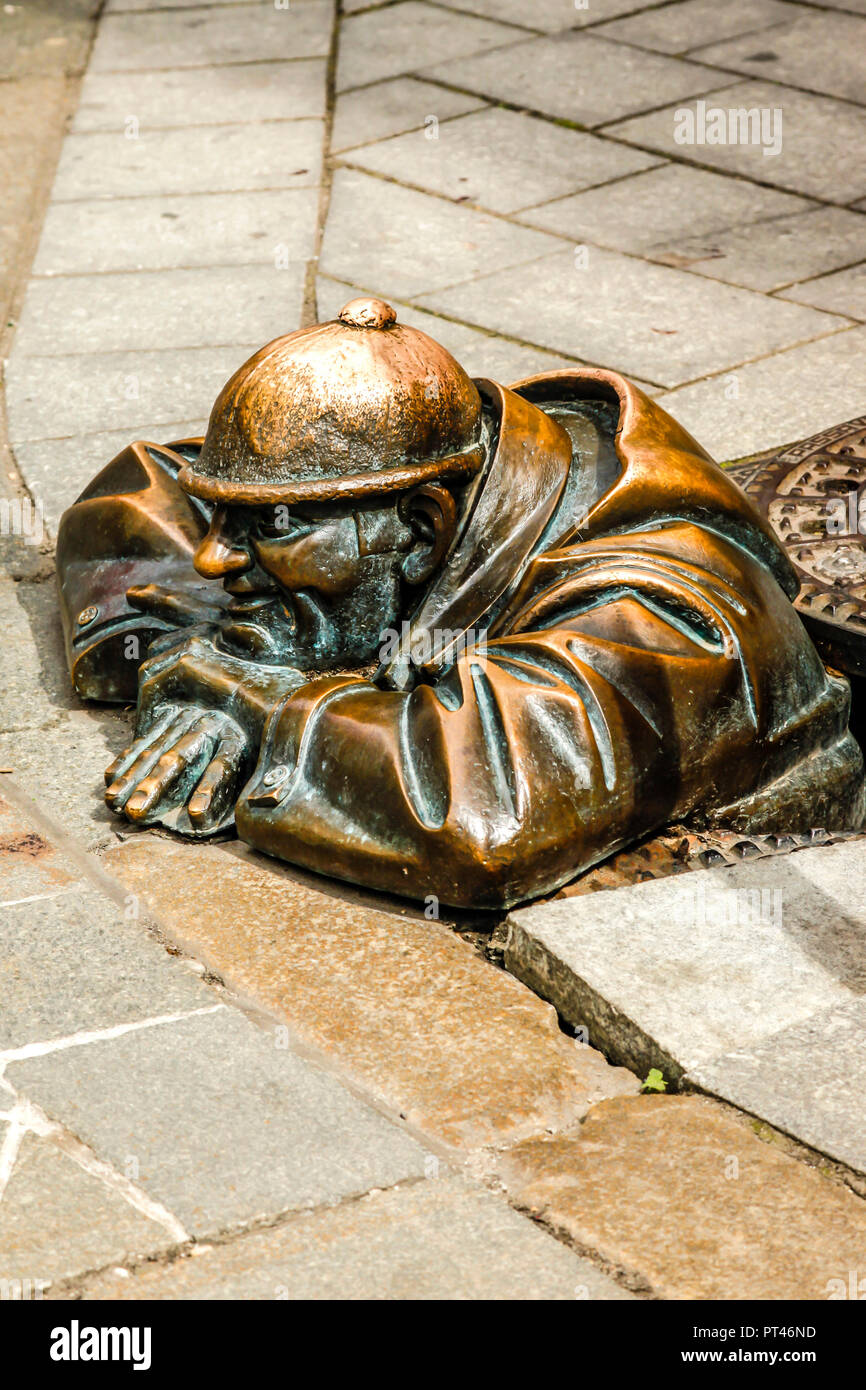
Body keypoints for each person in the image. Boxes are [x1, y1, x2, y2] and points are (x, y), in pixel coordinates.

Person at [57, 298, 865, 908]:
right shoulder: (429, 470)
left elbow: (482, 816)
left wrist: (249, 701)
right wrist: (194, 654)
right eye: (228, 517)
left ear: (420, 528)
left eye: (268, 528)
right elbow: (131, 505)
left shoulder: (663, 609)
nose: (212, 555)